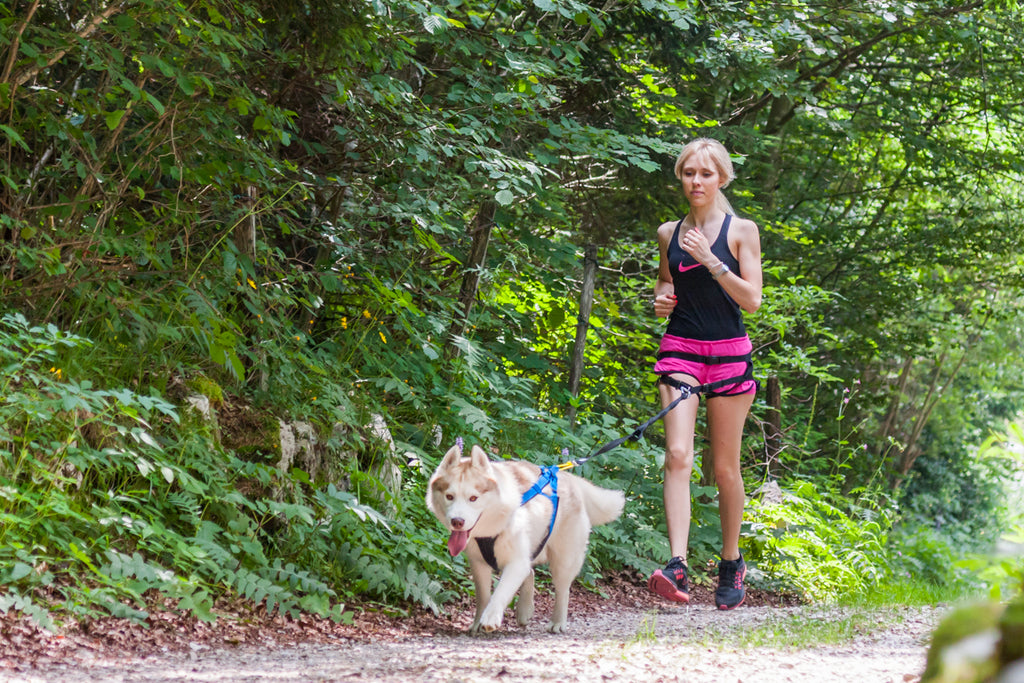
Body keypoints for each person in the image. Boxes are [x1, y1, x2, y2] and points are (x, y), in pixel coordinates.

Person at [647, 138, 763, 610]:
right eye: (689, 173)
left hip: (730, 357)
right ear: (680, 177)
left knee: (723, 469)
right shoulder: (668, 232)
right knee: (677, 454)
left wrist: (713, 261)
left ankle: (731, 561)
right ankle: (676, 564)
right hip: (681, 351)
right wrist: (660, 299)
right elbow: (665, 282)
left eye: (706, 174)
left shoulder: (742, 230)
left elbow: (752, 301)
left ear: (723, 179)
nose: (696, 182)